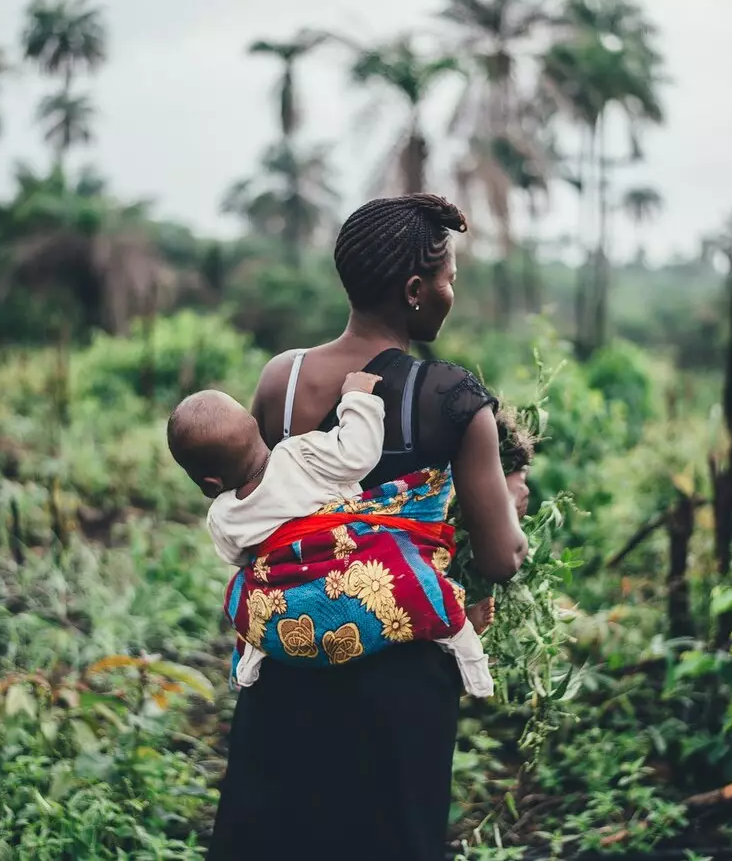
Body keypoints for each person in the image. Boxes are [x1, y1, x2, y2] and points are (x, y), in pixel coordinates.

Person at [206, 194, 528, 861]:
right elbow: (500, 560)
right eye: (448, 280)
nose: (449, 293)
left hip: (288, 660)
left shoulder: (281, 382)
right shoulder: (453, 400)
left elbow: (266, 502)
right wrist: (511, 506)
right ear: (415, 290)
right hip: (398, 683)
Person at [165, 371, 494, 697]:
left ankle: (251, 658)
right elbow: (358, 454)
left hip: (290, 612)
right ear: (255, 426)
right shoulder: (300, 454)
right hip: (352, 578)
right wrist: (357, 398)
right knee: (414, 580)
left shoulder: (222, 515)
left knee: (242, 593)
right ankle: (467, 649)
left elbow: (240, 558)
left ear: (210, 484)